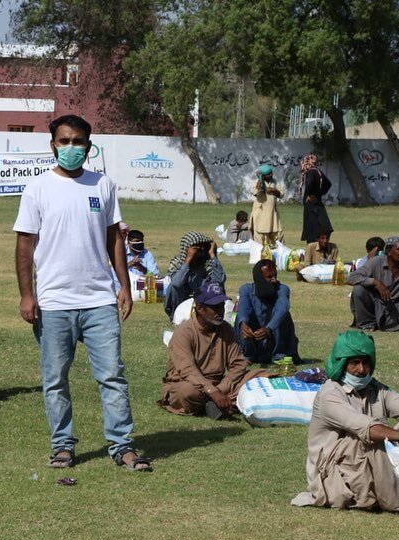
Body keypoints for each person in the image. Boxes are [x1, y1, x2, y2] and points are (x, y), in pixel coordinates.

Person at [14, 114, 151, 472]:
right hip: (54, 302)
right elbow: (25, 246)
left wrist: (124, 285)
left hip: (99, 301)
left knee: (112, 376)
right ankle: (62, 445)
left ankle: (122, 445)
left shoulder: (103, 185)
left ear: (89, 148)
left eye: (78, 142)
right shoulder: (37, 188)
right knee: (55, 379)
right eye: (64, 141)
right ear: (52, 145)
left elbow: (113, 239)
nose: (71, 148)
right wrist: (27, 295)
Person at [291, 330, 399, 511]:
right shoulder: (330, 394)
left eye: (365, 362)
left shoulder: (376, 389)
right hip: (333, 476)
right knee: (372, 439)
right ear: (342, 363)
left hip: (365, 466)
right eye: (354, 363)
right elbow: (368, 429)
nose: (361, 369)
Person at [160, 282, 260, 420]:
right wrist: (211, 391)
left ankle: (213, 403)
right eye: (215, 308)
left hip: (219, 385)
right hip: (190, 383)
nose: (221, 311)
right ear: (200, 308)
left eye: (222, 306)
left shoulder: (226, 329)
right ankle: (222, 402)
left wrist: (220, 389)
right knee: (187, 392)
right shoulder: (183, 333)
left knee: (259, 376)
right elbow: (187, 370)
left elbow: (238, 365)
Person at [235, 259, 301, 364]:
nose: (274, 280)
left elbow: (282, 308)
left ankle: (279, 355)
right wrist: (243, 324)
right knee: (240, 319)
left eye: (275, 276)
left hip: (274, 341)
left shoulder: (282, 289)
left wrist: (269, 329)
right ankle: (248, 355)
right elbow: (243, 308)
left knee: (284, 316)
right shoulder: (246, 290)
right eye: (269, 277)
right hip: (255, 342)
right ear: (259, 278)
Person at [164, 231, 226, 320]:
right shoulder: (177, 263)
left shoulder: (208, 263)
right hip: (182, 302)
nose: (200, 249)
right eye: (196, 247)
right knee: (172, 288)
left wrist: (213, 255)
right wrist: (188, 260)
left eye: (203, 246)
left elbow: (220, 280)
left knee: (217, 286)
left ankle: (214, 315)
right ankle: (175, 317)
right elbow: (176, 283)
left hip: (205, 301)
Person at [299, 154, 333, 244]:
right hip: (318, 203)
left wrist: (310, 195)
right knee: (323, 226)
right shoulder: (318, 172)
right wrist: (320, 193)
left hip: (311, 205)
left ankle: (313, 249)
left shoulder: (310, 172)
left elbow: (309, 183)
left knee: (312, 229)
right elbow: (328, 183)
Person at [249, 164, 284, 245]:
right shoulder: (258, 182)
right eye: (268, 174)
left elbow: (281, 195)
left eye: (271, 173)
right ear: (263, 176)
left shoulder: (275, 182)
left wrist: (273, 190)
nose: (271, 175)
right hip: (260, 214)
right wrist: (260, 179)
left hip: (273, 215)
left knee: (278, 234)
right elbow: (256, 192)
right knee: (260, 236)